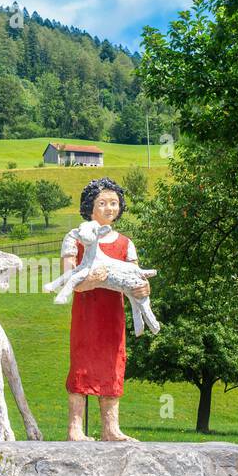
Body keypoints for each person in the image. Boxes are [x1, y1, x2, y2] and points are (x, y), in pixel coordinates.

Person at [62, 177, 150, 441]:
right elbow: (69, 280)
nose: (110, 208)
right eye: (103, 203)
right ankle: (74, 428)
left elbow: (136, 278)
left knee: (114, 363)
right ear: (90, 206)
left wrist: (143, 290)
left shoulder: (125, 242)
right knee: (82, 362)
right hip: (86, 314)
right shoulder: (75, 238)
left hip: (113, 315)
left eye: (114, 203)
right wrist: (91, 280)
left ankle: (110, 428)